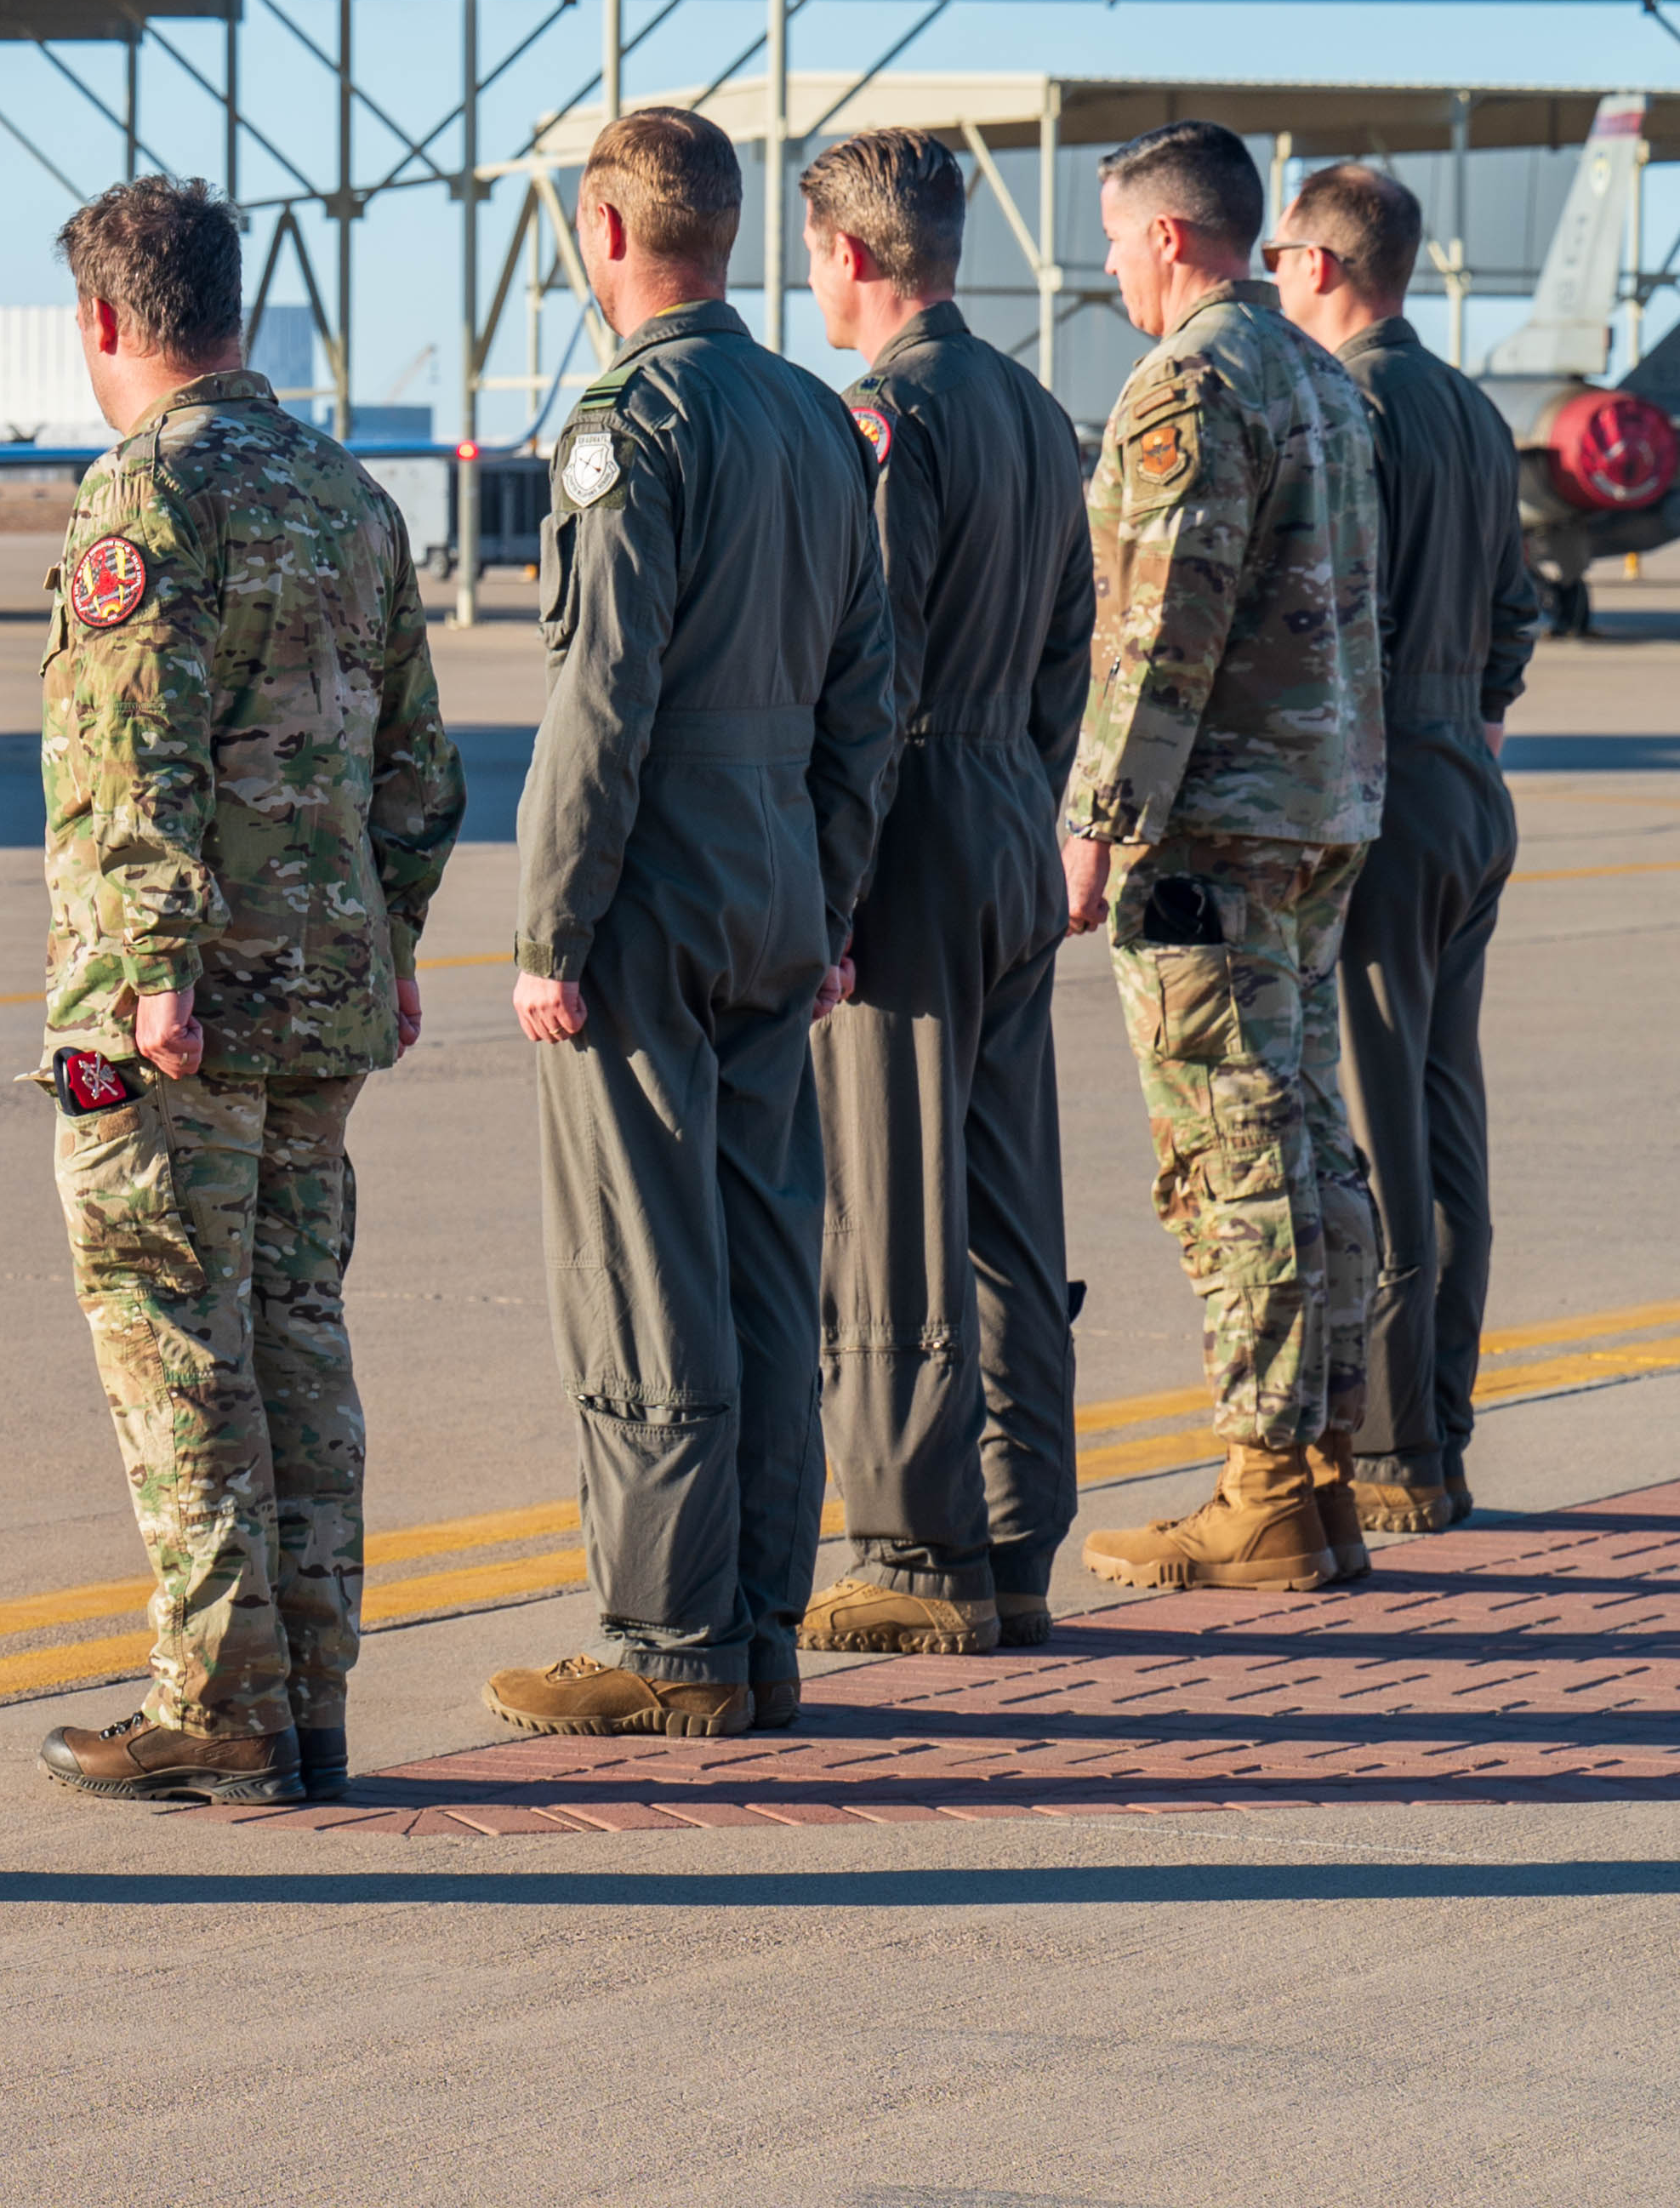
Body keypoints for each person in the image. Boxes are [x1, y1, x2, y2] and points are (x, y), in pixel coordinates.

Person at [20, 178, 464, 1811]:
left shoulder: (148, 496)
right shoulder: (347, 490)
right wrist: (387, 938)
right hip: (323, 987)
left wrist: (144, 974)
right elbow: (422, 770)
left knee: (173, 1339)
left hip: (183, 1004)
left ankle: (215, 1698)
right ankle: (309, 1699)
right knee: (294, 1338)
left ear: (107, 324)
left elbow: (129, 766)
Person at [485, 104, 896, 1741]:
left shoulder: (627, 422)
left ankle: (669, 1643)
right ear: (721, 234)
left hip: (651, 884)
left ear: (605, 233)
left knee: (641, 1266)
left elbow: (601, 701)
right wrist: (831, 886)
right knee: (763, 1261)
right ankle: (765, 1624)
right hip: (781, 873)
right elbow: (869, 697)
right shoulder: (810, 417)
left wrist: (549, 928)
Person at [1067, 123, 1391, 1592]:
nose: (1111, 271)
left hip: (1209, 825)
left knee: (1230, 1147)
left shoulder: (1187, 383)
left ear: (1175, 240)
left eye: (1120, 243)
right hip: (1322, 809)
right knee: (1309, 1132)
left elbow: (1157, 632)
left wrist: (1095, 822)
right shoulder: (1324, 378)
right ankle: (1321, 1464)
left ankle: (1261, 1478)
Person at [797, 128, 1096, 1657]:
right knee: (1004, 1191)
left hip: (908, 819)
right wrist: (1031, 805)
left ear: (849, 255)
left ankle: (918, 1552)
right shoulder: (1043, 415)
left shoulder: (883, 418)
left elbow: (867, 663)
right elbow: (1069, 653)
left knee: (893, 1200)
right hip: (1009, 818)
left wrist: (831, 885)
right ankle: (1020, 1529)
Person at [1267, 161, 1534, 1533]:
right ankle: (1444, 1421)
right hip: (1463, 790)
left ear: (1318, 264)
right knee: (1444, 1115)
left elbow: (1322, 616)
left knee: (1371, 1128)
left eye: (1275, 256)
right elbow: (1518, 611)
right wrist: (1472, 717)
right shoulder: (1477, 412)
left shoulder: (1343, 404)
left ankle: (1397, 1451)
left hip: (1375, 786)